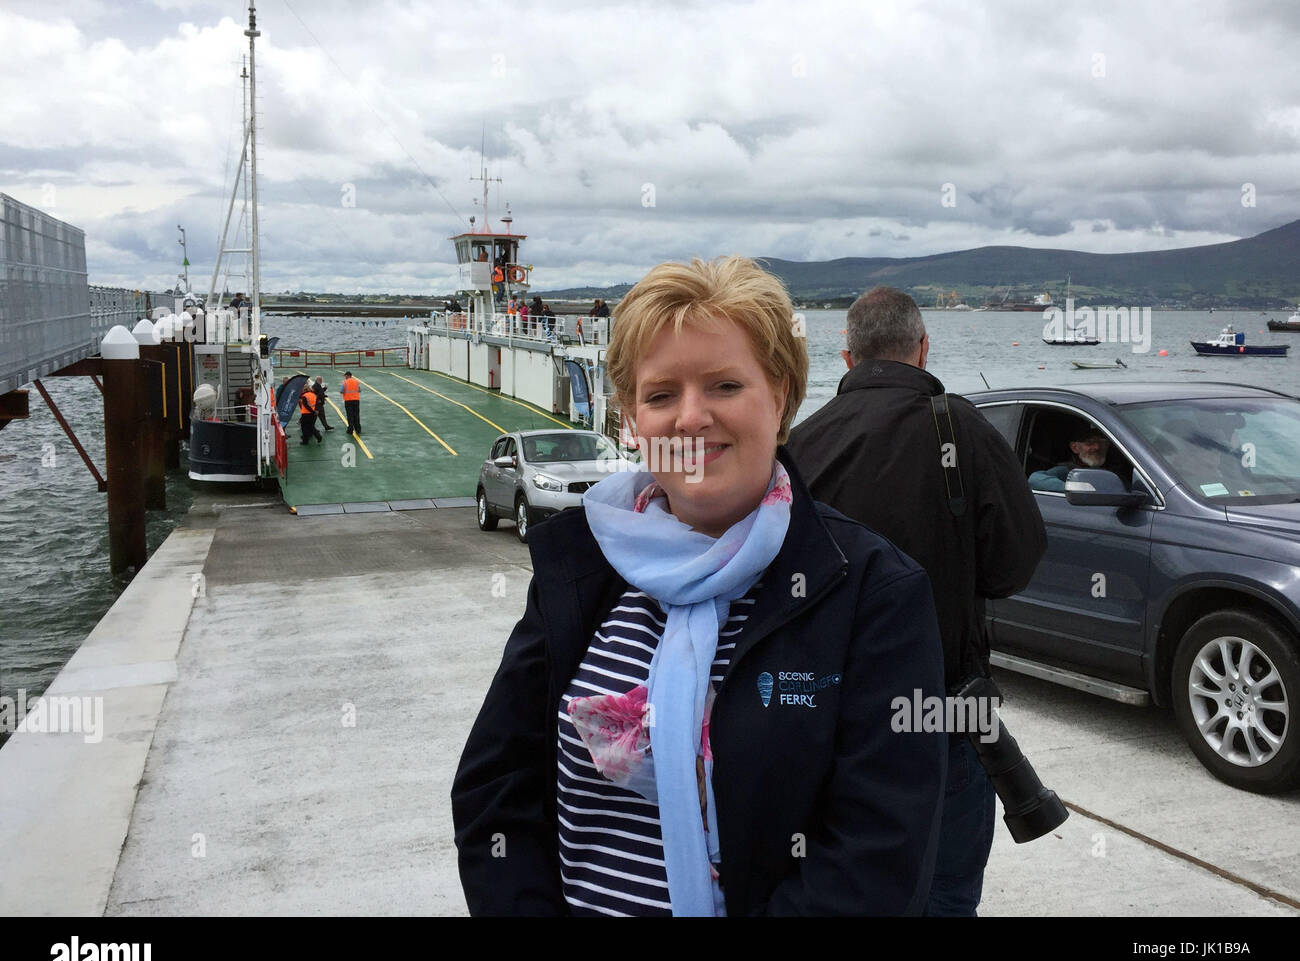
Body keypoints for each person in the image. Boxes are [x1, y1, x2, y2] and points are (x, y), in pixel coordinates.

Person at [452, 257, 947, 916]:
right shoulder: (581, 567)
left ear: (781, 396)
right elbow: (496, 790)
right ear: (630, 418)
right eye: (660, 395)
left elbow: (876, 855)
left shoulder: (872, 593)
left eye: (724, 385)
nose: (691, 418)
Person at [785, 285, 1047, 917]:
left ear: (847, 358)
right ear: (923, 349)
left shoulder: (803, 444)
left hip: (830, 713)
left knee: (845, 890)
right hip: (944, 712)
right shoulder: (961, 427)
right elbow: (1016, 566)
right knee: (946, 894)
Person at [1029, 422, 1115, 491]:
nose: (1097, 447)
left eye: (1102, 442)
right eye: (1090, 443)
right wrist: (1076, 488)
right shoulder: (1068, 470)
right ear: (1075, 448)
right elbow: (1035, 479)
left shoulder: (1119, 464)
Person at [341, 371, 362, 435]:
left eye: (345, 376)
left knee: (350, 415)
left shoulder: (345, 382)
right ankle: (358, 429)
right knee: (356, 415)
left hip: (348, 400)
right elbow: (359, 390)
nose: (345, 377)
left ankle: (350, 429)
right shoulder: (356, 381)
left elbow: (342, 391)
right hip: (356, 400)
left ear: (348, 375)